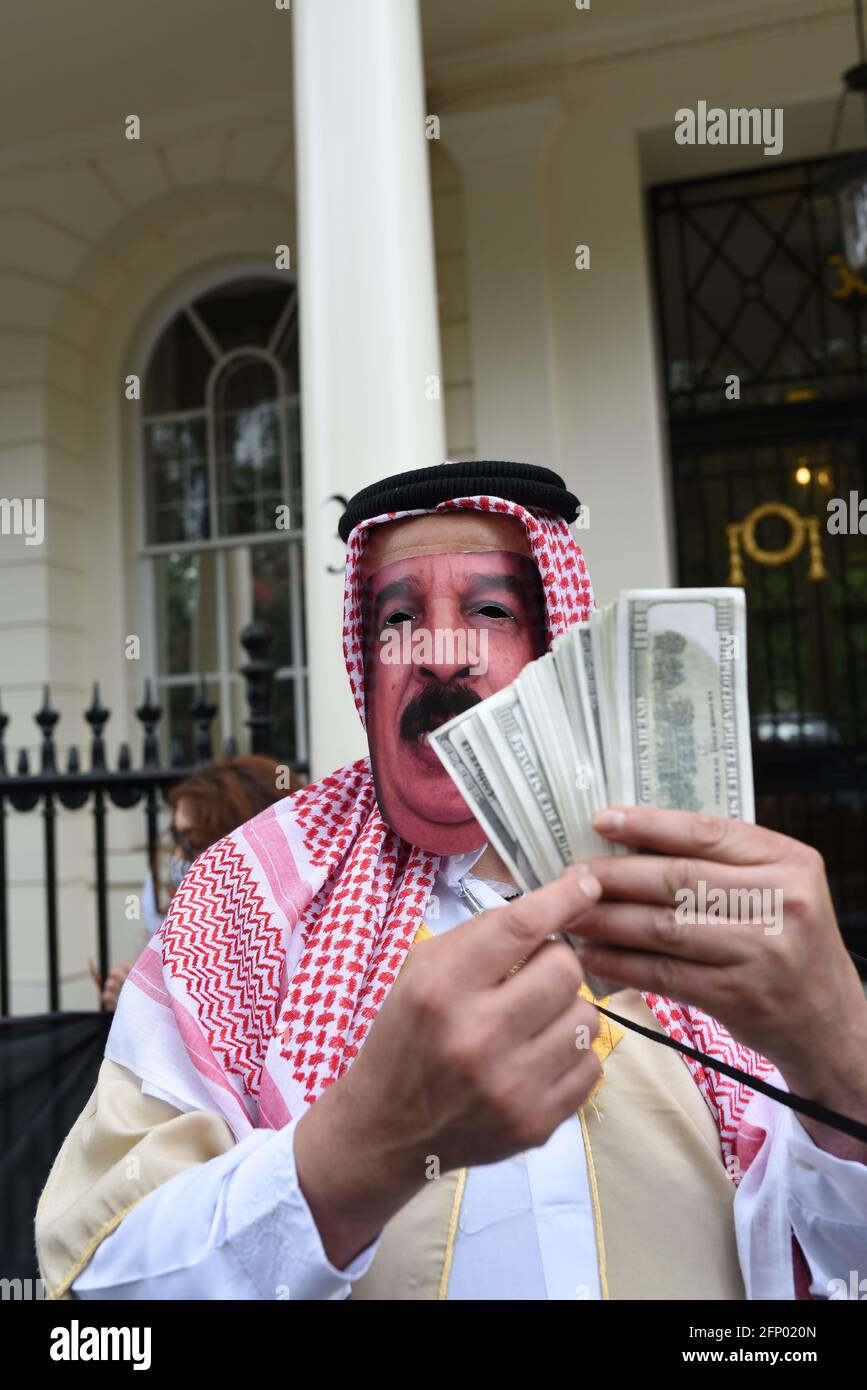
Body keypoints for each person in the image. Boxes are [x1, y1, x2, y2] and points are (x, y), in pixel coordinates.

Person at [36, 461, 867, 1301]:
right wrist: (360, 1150)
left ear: (550, 642)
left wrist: (842, 1063)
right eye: (399, 619)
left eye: (489, 611)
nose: (438, 655)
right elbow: (95, 1285)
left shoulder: (697, 884)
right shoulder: (246, 895)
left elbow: (830, 1258)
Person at [97, 756, 297, 1011]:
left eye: (193, 841)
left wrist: (146, 1006)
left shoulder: (286, 953)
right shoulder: (187, 929)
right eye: (177, 838)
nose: (179, 857)